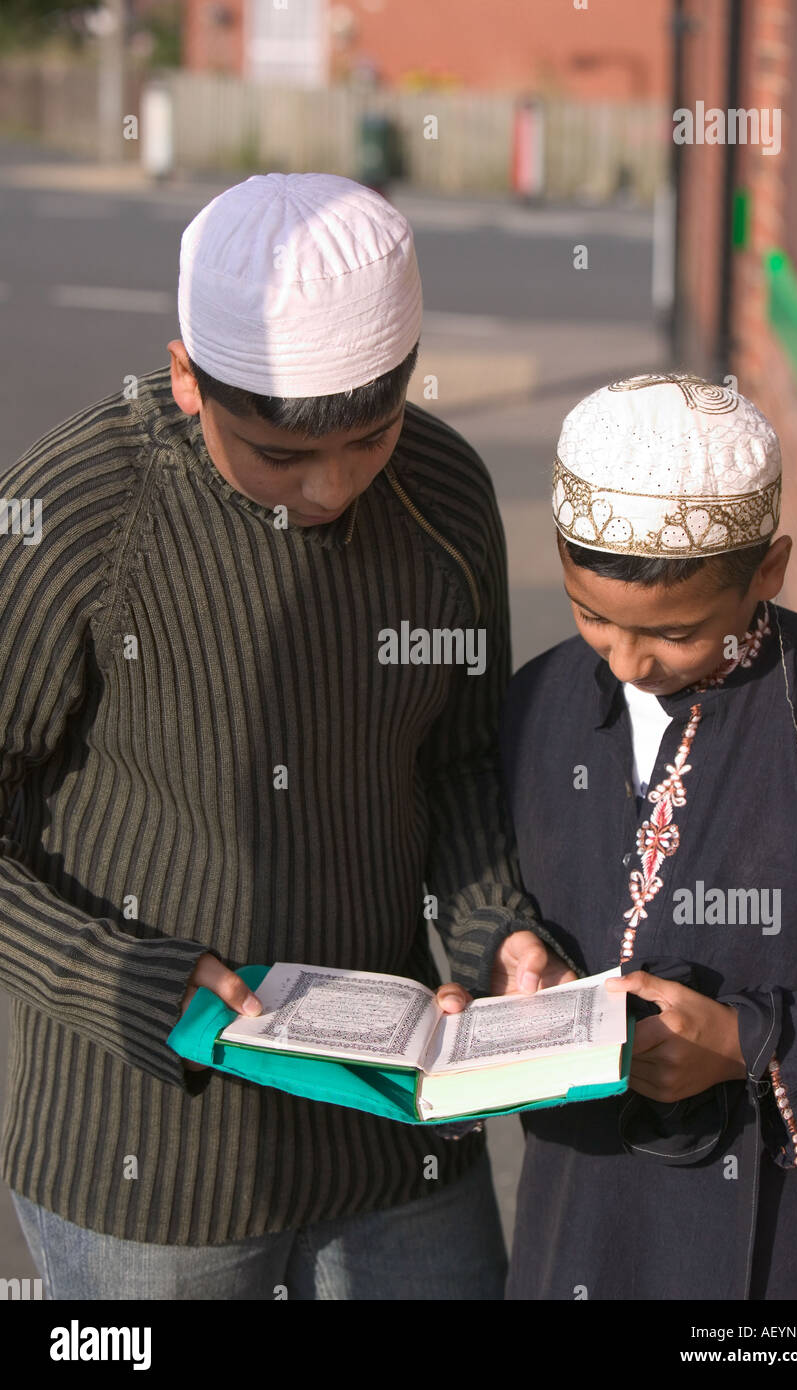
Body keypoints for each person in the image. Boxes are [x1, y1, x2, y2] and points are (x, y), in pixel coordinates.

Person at [0, 172, 574, 1300]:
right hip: (145, 1161)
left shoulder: (445, 496)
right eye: (277, 454)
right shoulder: (69, 519)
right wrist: (118, 976)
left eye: (370, 438)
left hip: (398, 1134)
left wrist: (496, 934)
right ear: (184, 376)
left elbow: (456, 762)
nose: (329, 487)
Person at [448, 371, 797, 1300]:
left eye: (674, 634)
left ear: (767, 570)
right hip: (581, 1221)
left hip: (795, 1238)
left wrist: (751, 1040)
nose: (628, 663)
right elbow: (494, 881)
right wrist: (510, 958)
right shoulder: (540, 700)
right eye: (591, 615)